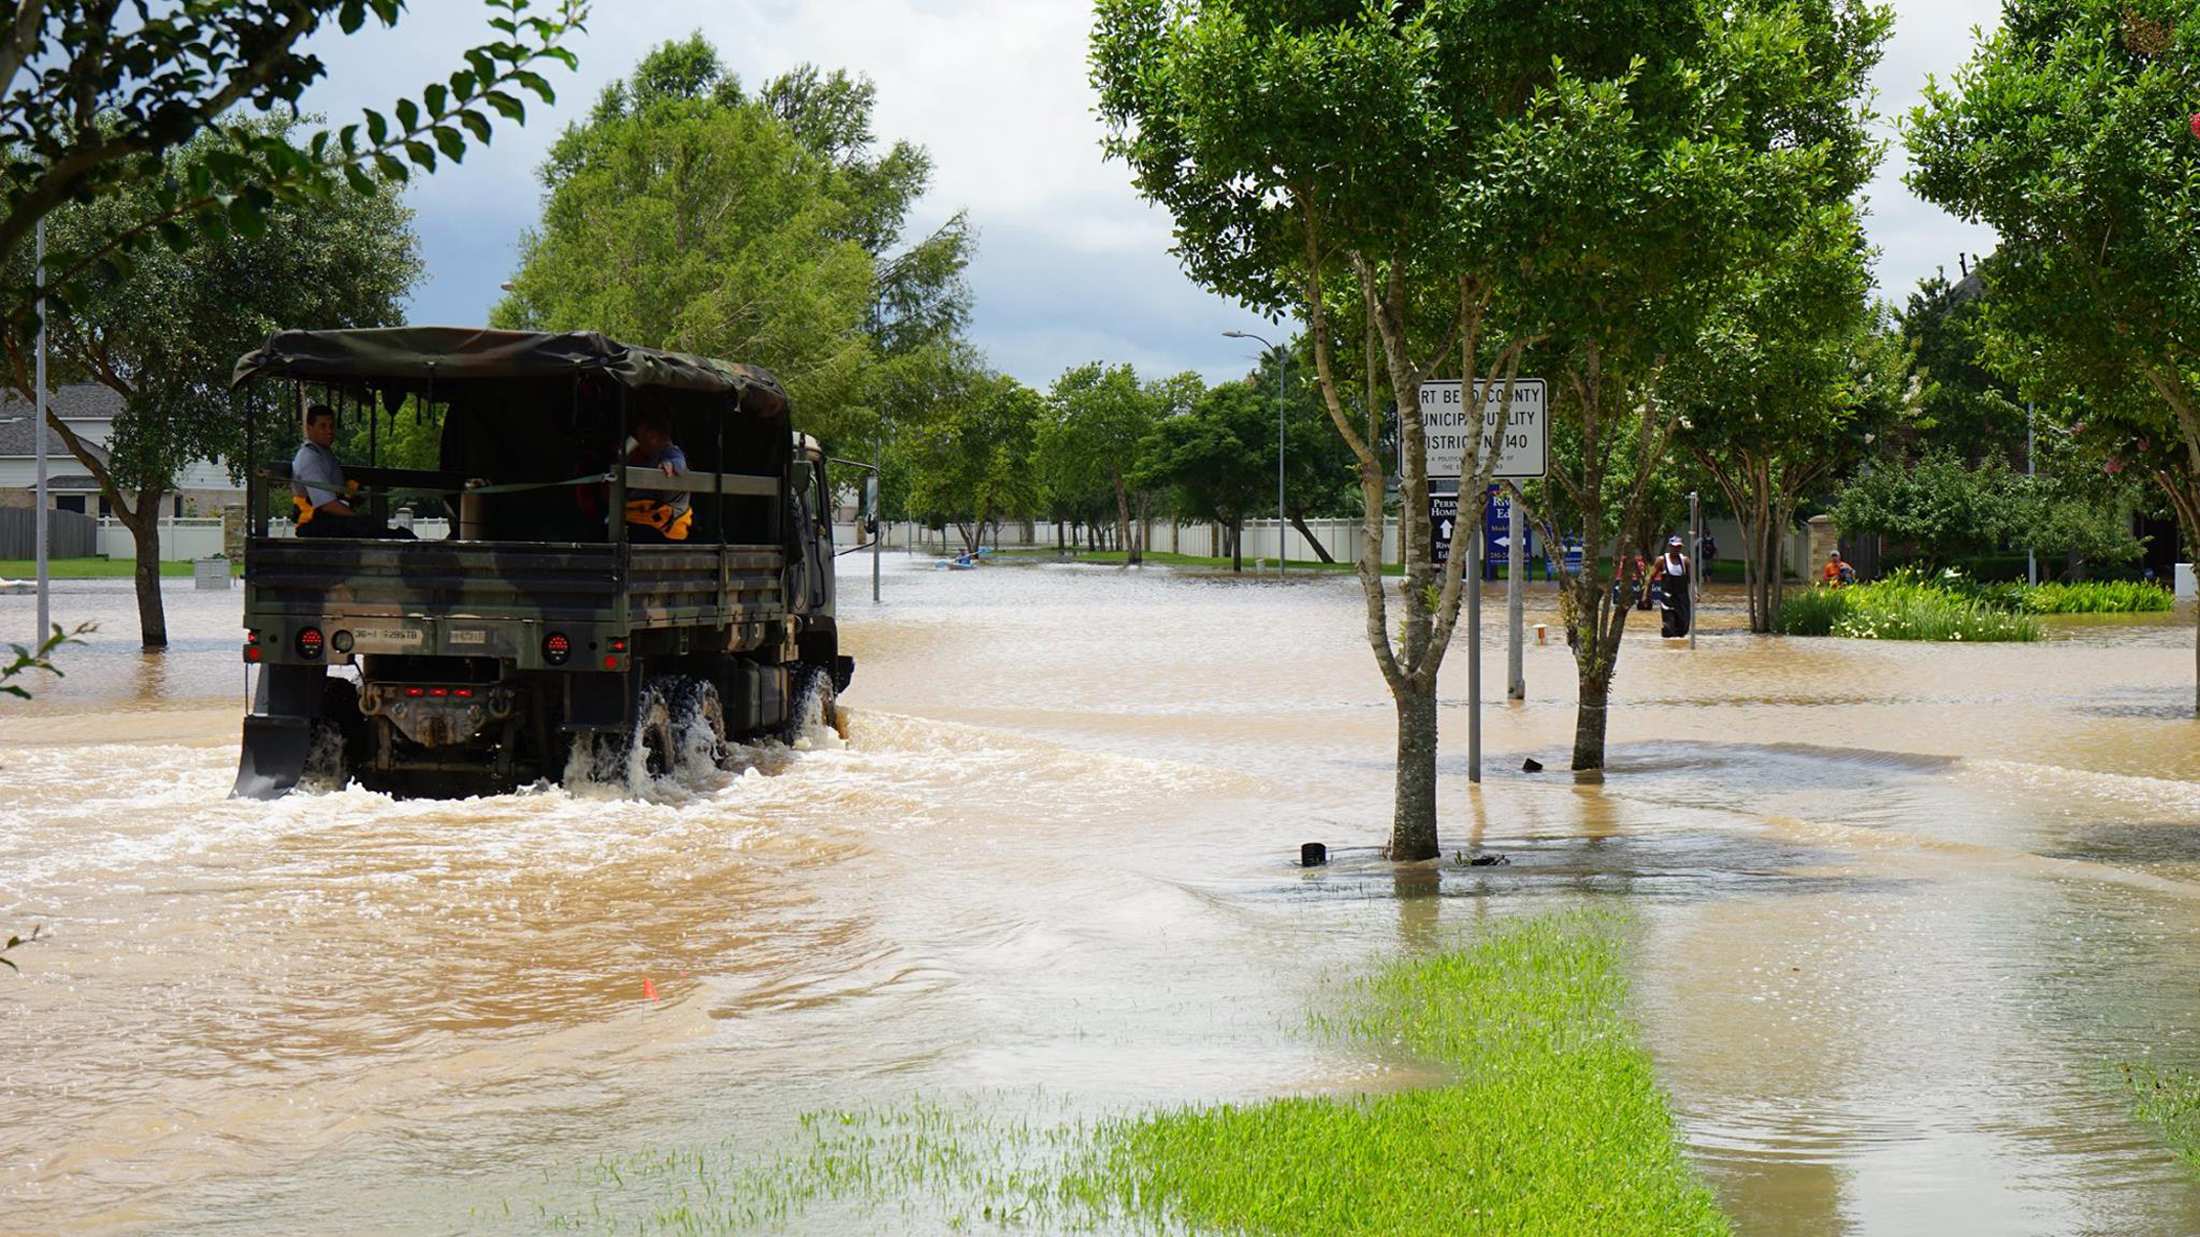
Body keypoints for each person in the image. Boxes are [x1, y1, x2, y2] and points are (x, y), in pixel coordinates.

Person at [291, 404, 414, 539]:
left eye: (332, 426)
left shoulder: (325, 454)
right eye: (323, 426)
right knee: (369, 526)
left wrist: (353, 494)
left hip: (329, 521)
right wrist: (358, 517)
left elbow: (338, 496)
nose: (329, 431)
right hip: (314, 525)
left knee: (393, 532)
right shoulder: (310, 457)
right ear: (309, 429)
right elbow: (327, 505)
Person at [624, 408, 693, 543]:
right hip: (652, 523)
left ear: (652, 436)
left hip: (664, 526)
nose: (639, 443)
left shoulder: (671, 452)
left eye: (640, 437)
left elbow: (679, 464)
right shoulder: (651, 458)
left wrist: (670, 464)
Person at [1658, 535, 1692, 638]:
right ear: (1669, 546)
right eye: (1674, 546)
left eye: (1679, 547)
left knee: (1683, 627)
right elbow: (1650, 578)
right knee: (1669, 626)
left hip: (1682, 598)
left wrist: (1695, 592)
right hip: (1667, 598)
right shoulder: (1661, 560)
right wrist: (1645, 595)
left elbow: (1691, 579)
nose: (1676, 549)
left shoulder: (1685, 560)